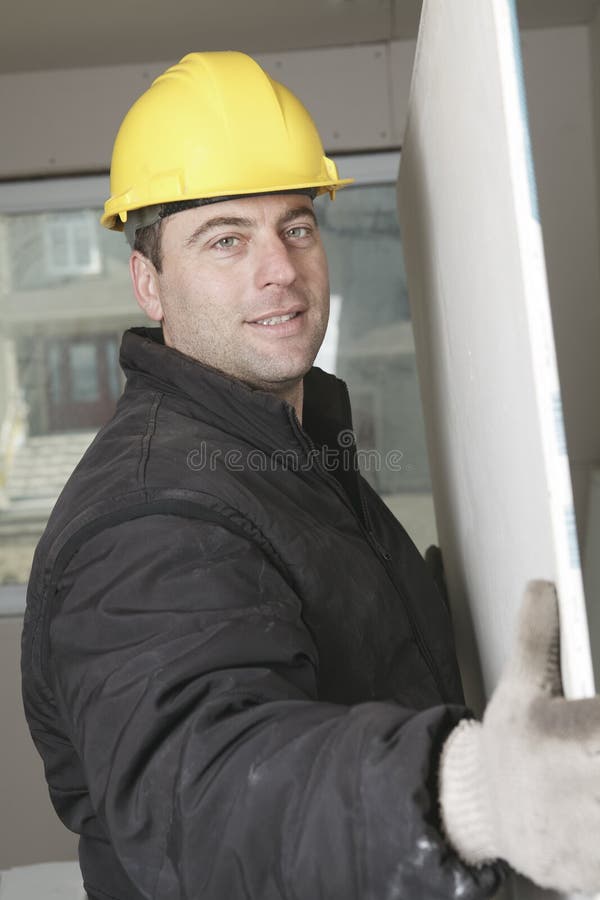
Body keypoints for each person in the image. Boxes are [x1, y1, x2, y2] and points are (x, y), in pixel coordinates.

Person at [21, 51, 600, 900]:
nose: (281, 270)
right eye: (226, 239)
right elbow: (209, 798)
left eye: (295, 227)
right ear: (150, 282)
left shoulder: (290, 446)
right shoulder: (151, 515)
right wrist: (476, 793)